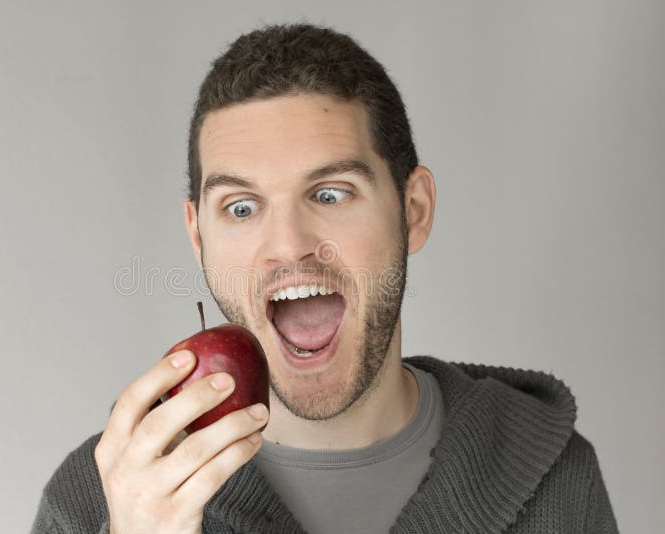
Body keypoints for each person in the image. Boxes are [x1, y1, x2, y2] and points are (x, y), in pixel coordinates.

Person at [31, 23, 619, 534]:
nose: (287, 244)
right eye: (240, 207)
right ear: (197, 236)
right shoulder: (100, 499)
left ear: (413, 209)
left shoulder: (556, 482)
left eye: (331, 193)